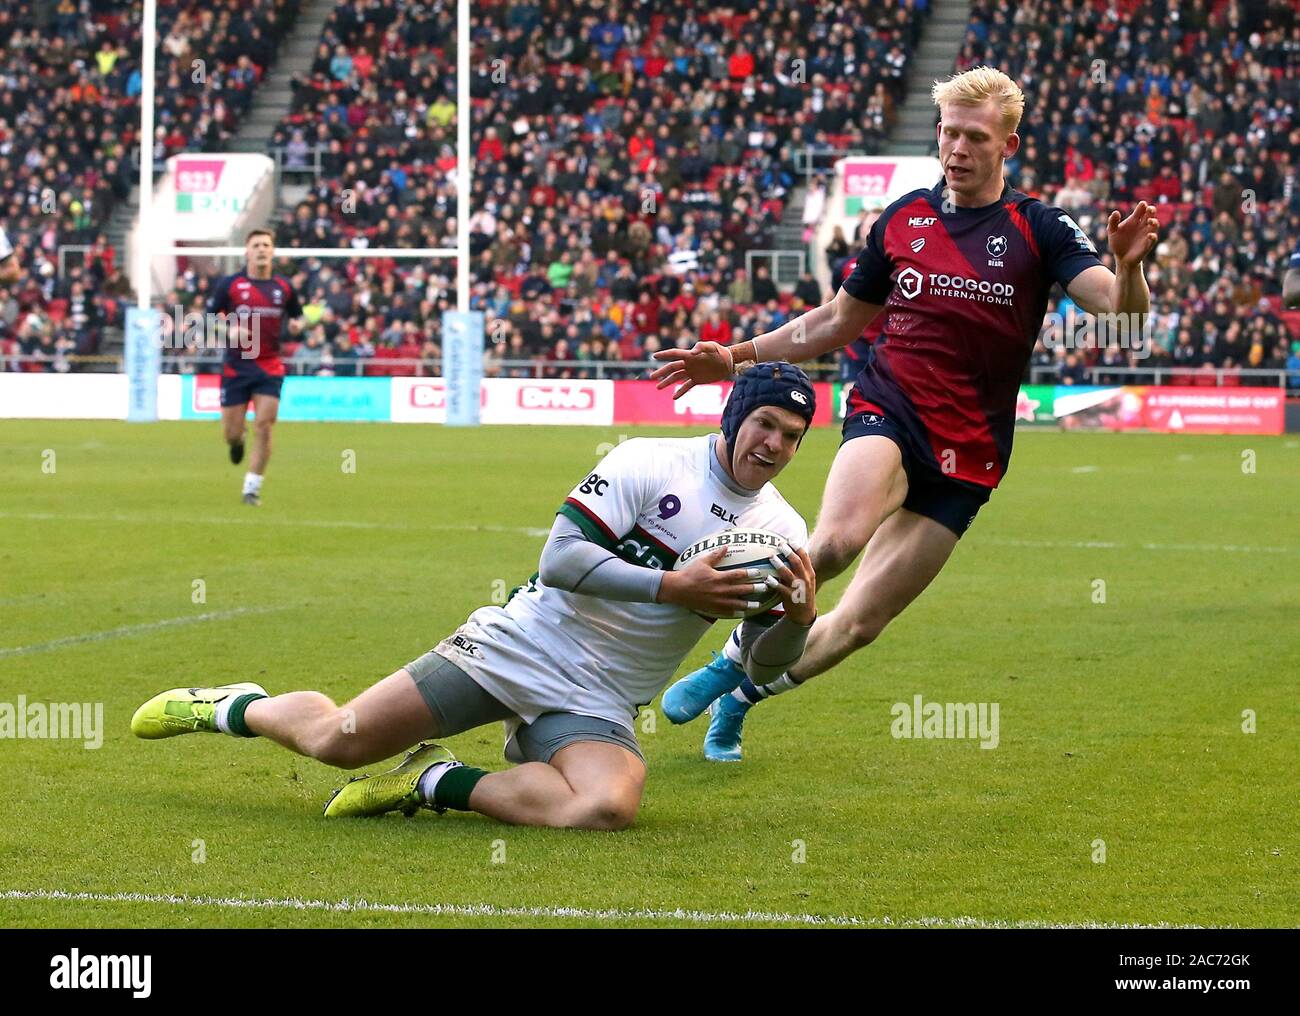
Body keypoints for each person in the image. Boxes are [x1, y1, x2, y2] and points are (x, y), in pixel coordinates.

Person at [651, 66, 1160, 761]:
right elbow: (836, 321)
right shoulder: (905, 219)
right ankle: (735, 654)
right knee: (832, 545)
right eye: (948, 132)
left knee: (860, 623)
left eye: (974, 136)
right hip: (889, 410)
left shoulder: (1037, 227)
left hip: (971, 453)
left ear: (1008, 144)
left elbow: (1120, 317)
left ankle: (743, 697)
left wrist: (1130, 269)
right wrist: (733, 357)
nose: (956, 148)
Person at [130, 365, 819, 830]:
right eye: (764, 424)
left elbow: (762, 666)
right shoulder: (649, 461)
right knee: (339, 742)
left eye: (791, 436)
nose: (774, 444)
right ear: (734, 416)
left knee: (607, 807)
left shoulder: (783, 531)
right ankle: (233, 706)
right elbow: (560, 559)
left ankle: (434, 780)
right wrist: (674, 586)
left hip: (601, 700)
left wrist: (798, 620)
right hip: (516, 646)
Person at [205, 228, 303, 506]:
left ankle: (252, 488)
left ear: (272, 251)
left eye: (266, 245)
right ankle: (237, 442)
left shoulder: (284, 287)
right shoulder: (230, 285)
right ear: (247, 252)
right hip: (237, 367)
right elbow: (207, 320)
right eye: (256, 245)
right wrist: (229, 332)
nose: (261, 249)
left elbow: (299, 316)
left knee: (265, 424)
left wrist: (298, 325)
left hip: (269, 366)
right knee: (232, 433)